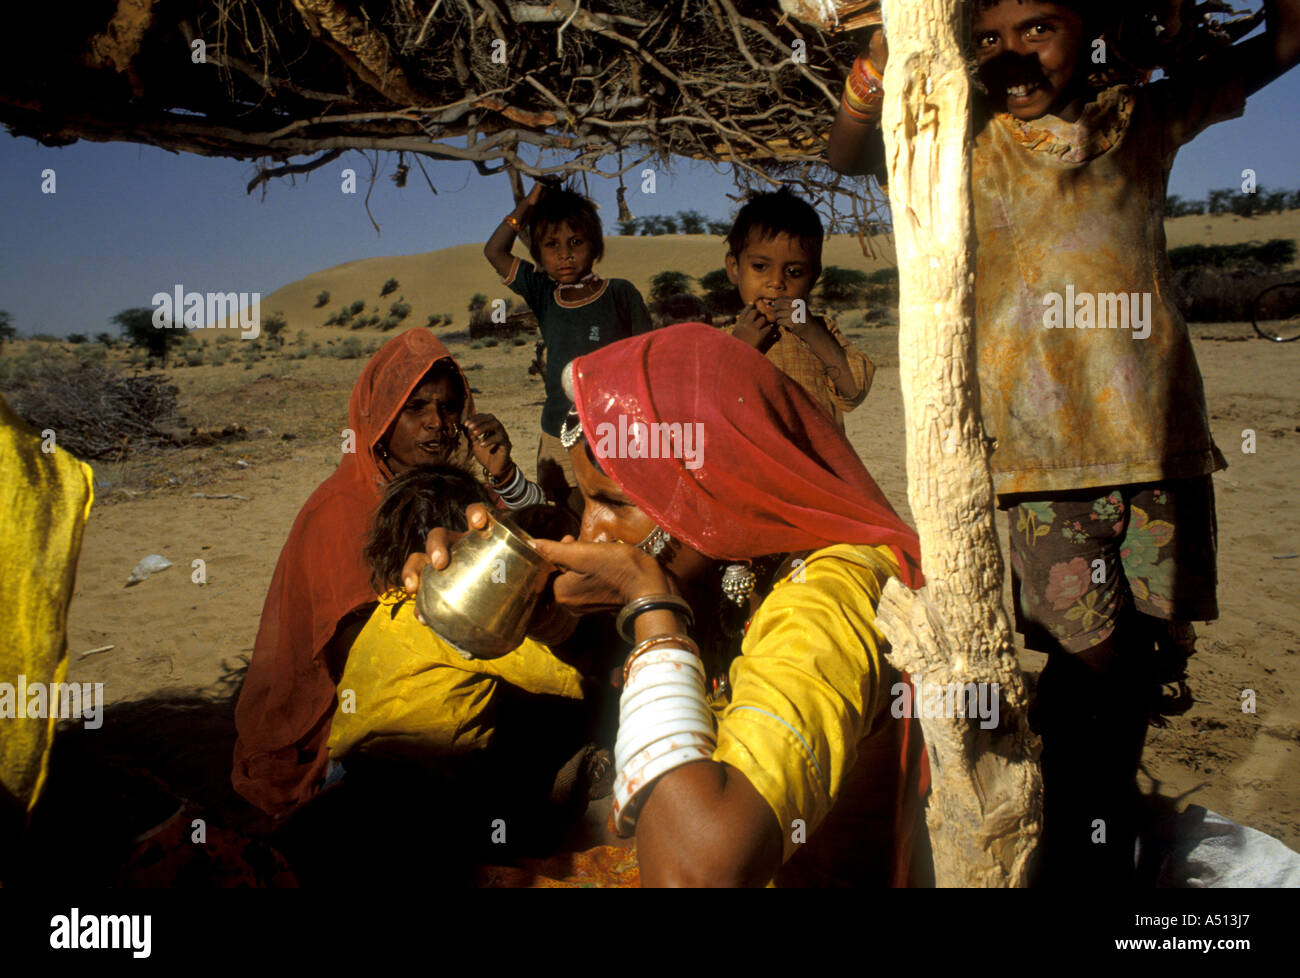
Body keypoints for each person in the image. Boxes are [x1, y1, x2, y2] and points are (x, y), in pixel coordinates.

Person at [826, 1, 1300, 885]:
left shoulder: (1138, 119)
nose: (1012, 57)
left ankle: (1097, 825)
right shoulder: (962, 142)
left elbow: (1277, 48)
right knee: (1092, 653)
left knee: (1145, 657)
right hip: (1037, 466)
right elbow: (851, 155)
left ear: (1086, 25)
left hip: (1159, 445)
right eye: (989, 42)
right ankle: (1079, 823)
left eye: (1037, 29)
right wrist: (879, 60)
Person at [404, 324, 930, 887]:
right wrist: (542, 613)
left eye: (614, 503)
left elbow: (698, 874)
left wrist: (648, 602)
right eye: (587, 502)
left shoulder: (831, 595)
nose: (591, 530)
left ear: (717, 484)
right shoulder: (739, 562)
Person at [232, 328, 542, 819]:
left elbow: (527, 552)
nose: (435, 424)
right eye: (414, 408)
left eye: (446, 408)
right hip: (366, 711)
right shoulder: (339, 511)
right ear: (379, 416)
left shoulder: (449, 491)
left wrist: (503, 475)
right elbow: (354, 658)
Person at [484, 181, 652, 509]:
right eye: (551, 244)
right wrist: (529, 205)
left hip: (613, 434)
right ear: (537, 252)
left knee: (617, 518)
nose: (564, 254)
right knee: (564, 519)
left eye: (575, 242)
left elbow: (646, 361)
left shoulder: (620, 293)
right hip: (557, 434)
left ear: (596, 246)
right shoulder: (543, 293)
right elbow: (494, 251)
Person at [723, 187, 875, 429]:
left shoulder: (821, 332)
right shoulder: (722, 339)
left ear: (813, 277)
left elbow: (854, 392)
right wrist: (739, 349)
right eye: (760, 266)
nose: (776, 282)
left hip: (817, 465)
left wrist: (811, 332)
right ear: (734, 268)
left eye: (794, 272)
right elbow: (707, 405)